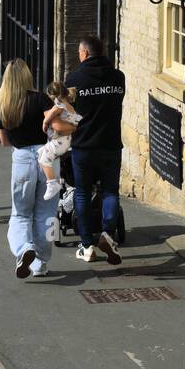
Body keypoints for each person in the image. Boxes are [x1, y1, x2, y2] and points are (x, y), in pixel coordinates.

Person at [0, 59, 74, 279]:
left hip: (21, 159)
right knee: (47, 213)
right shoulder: (40, 98)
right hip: (47, 157)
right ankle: (40, 263)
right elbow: (57, 126)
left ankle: (23, 249)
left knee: (20, 213)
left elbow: (4, 141)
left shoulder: (3, 104)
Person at [64, 35, 125, 265]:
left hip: (84, 146)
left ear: (85, 54)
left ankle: (87, 245)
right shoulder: (118, 78)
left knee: (82, 192)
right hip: (110, 144)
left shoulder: (75, 79)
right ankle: (108, 234)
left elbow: (68, 113)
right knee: (110, 191)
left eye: (79, 53)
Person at [37, 83, 80, 199]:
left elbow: (50, 116)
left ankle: (51, 183)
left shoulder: (58, 106)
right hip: (66, 140)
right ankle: (54, 181)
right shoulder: (69, 106)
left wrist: (45, 123)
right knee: (41, 153)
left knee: (44, 159)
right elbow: (78, 119)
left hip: (60, 141)